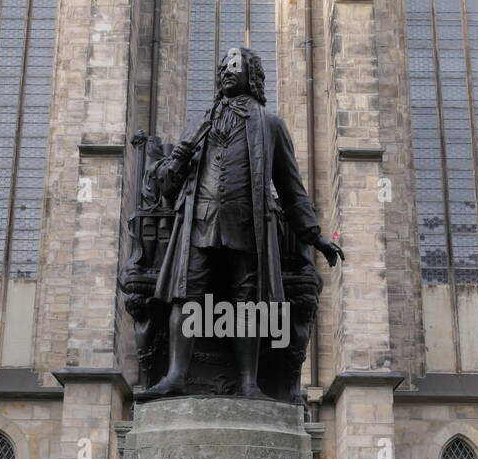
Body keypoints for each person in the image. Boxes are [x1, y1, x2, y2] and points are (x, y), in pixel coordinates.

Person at [136, 45, 343, 399]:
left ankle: (250, 383)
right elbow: (168, 185)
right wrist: (185, 146)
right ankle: (175, 376)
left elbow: (291, 187)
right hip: (199, 225)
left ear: (252, 75)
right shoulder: (200, 123)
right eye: (224, 66)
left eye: (236, 65)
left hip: (248, 227)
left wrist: (315, 236)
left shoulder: (270, 125)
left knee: (248, 302)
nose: (227, 71)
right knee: (185, 297)